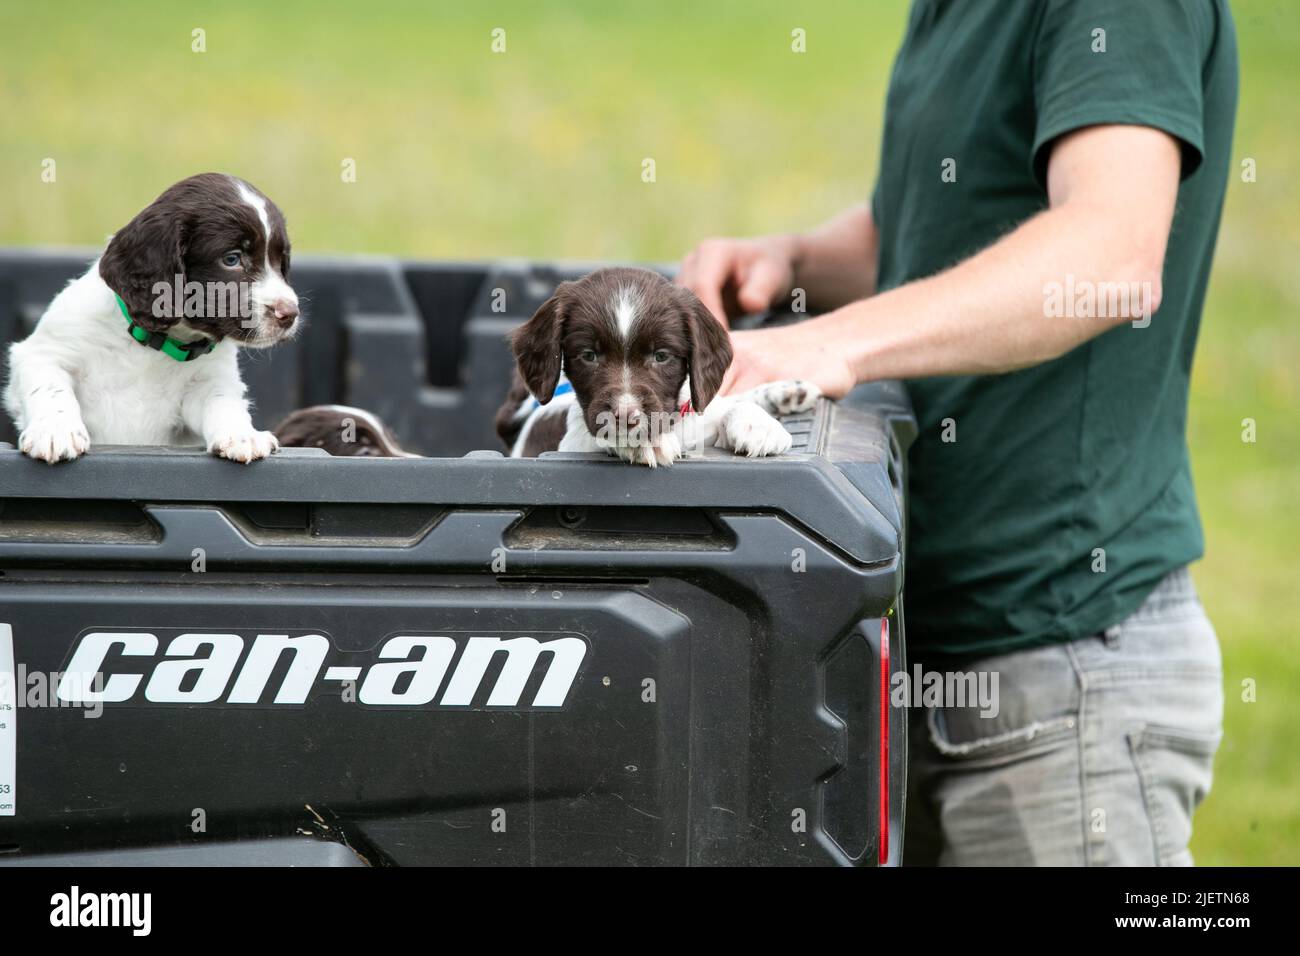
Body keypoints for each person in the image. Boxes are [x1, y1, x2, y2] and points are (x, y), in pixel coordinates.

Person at [678, 0, 1237, 866]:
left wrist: (830, 342)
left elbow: (1111, 253)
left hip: (1063, 676)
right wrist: (794, 259)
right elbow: (945, 226)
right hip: (921, 653)